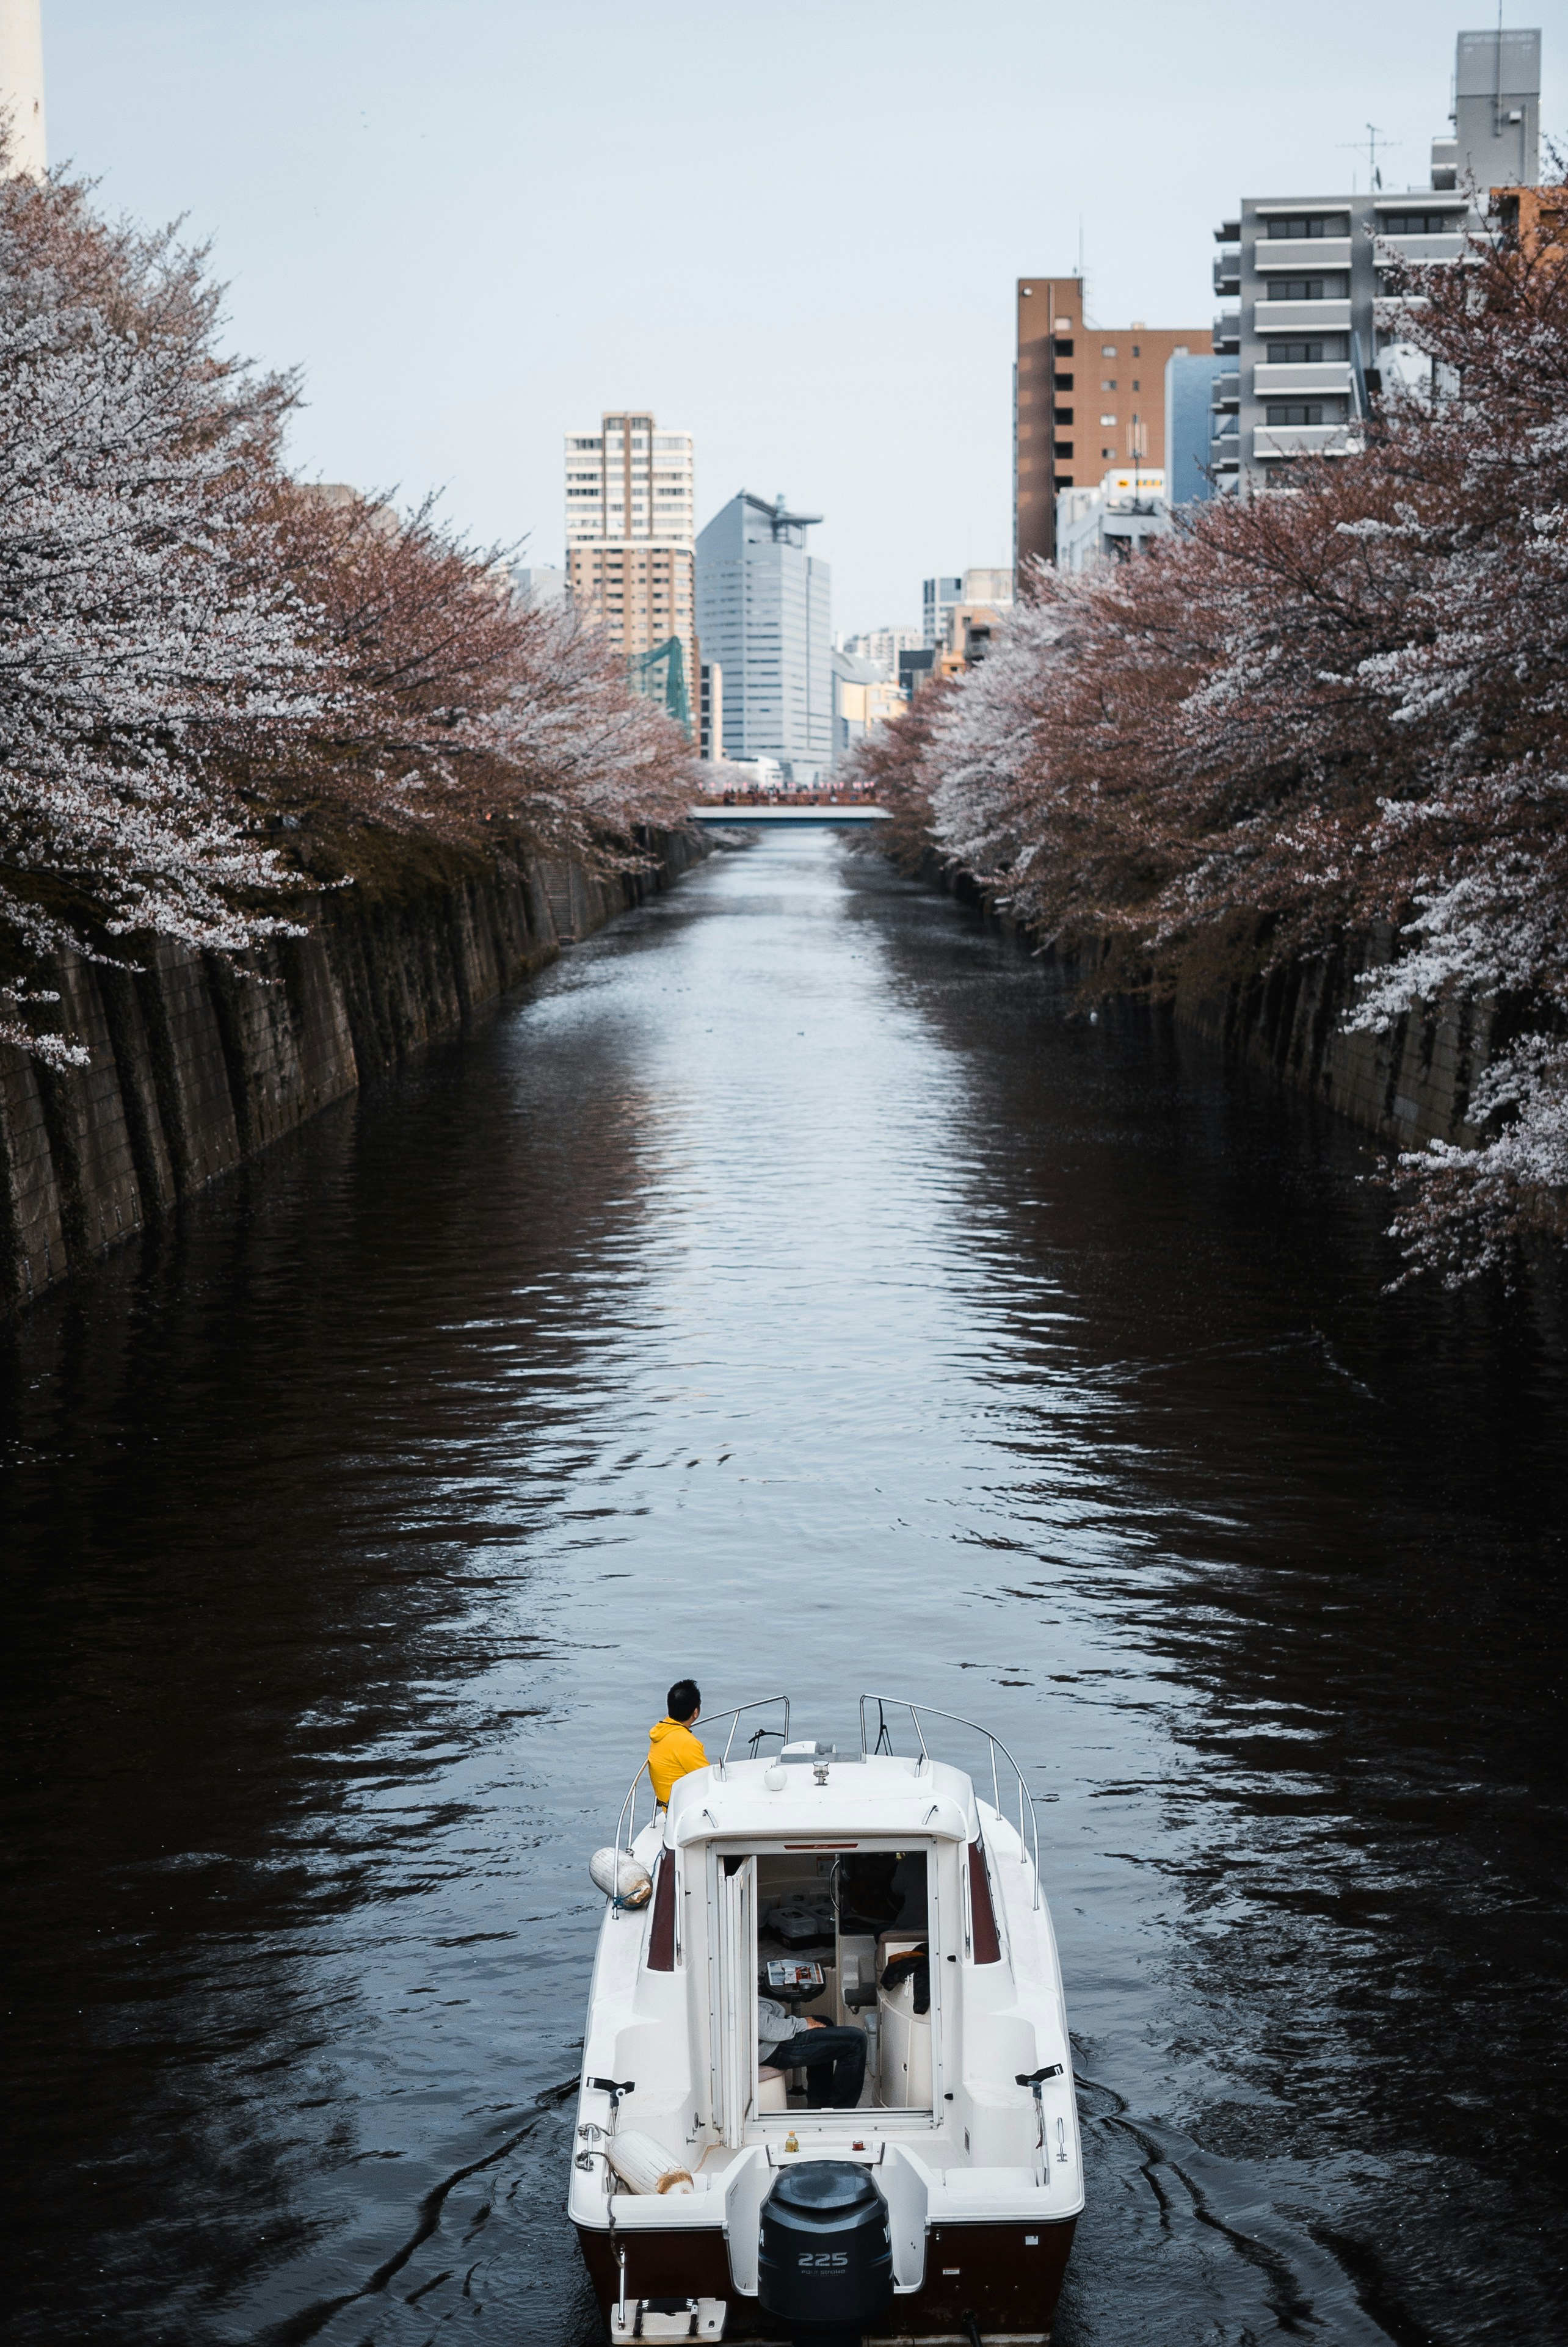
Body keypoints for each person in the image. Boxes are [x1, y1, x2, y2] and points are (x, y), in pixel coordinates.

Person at [758, 1996, 868, 2108]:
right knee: (857, 2041)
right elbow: (768, 2030)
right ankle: (839, 2113)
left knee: (824, 2022)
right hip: (770, 2046)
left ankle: (819, 2106)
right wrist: (803, 2023)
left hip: (769, 2031)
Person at [648, 1680, 708, 1808]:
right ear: (696, 1712)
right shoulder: (686, 1742)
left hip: (669, 1806)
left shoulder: (661, 1731)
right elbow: (707, 1780)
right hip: (684, 1810)